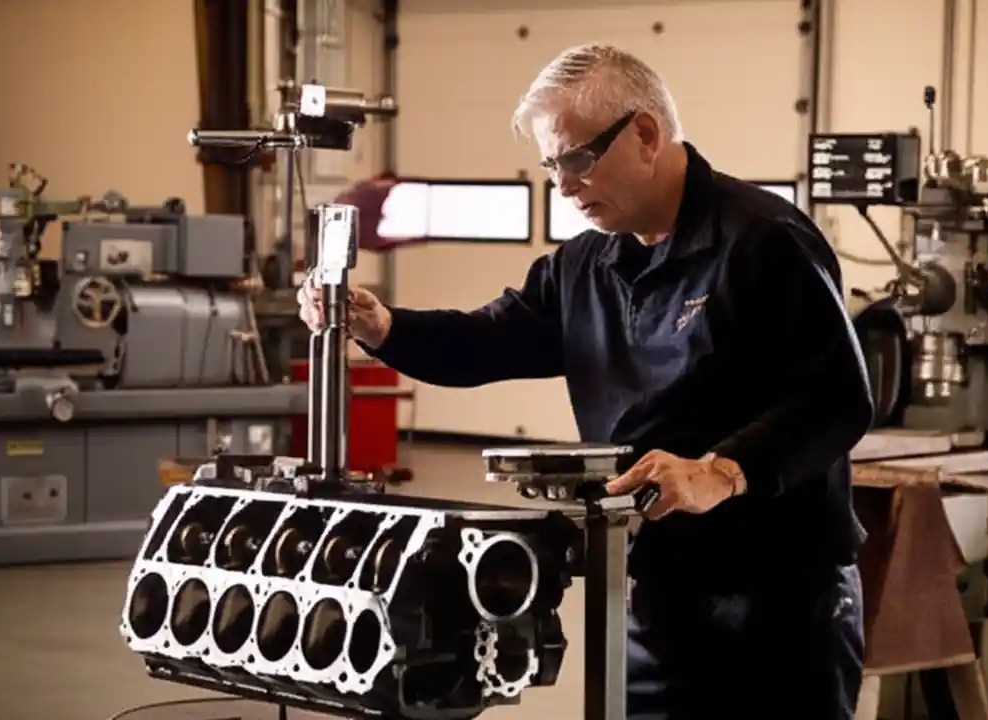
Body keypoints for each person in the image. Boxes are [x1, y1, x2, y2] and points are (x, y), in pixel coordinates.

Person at [300, 43, 872, 719]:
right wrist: (385, 327)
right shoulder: (585, 266)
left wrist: (718, 472)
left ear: (646, 134)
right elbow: (486, 341)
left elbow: (837, 398)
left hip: (779, 602)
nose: (561, 185)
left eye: (574, 160)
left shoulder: (764, 241)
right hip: (655, 594)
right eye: (549, 166)